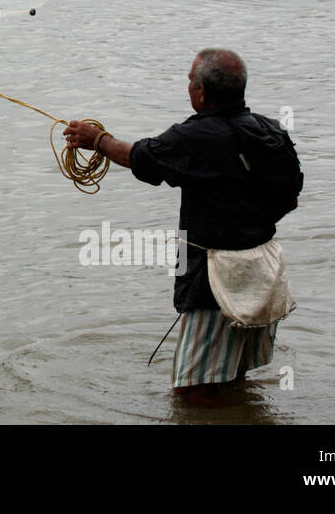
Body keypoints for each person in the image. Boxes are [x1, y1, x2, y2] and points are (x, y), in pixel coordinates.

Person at [62, 48, 302, 404]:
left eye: (191, 80)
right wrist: (250, 225)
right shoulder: (270, 131)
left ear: (202, 92)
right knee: (231, 374)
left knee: (189, 388)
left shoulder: (196, 137)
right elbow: (291, 194)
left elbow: (140, 157)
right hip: (263, 267)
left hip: (215, 277)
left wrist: (96, 140)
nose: (188, 85)